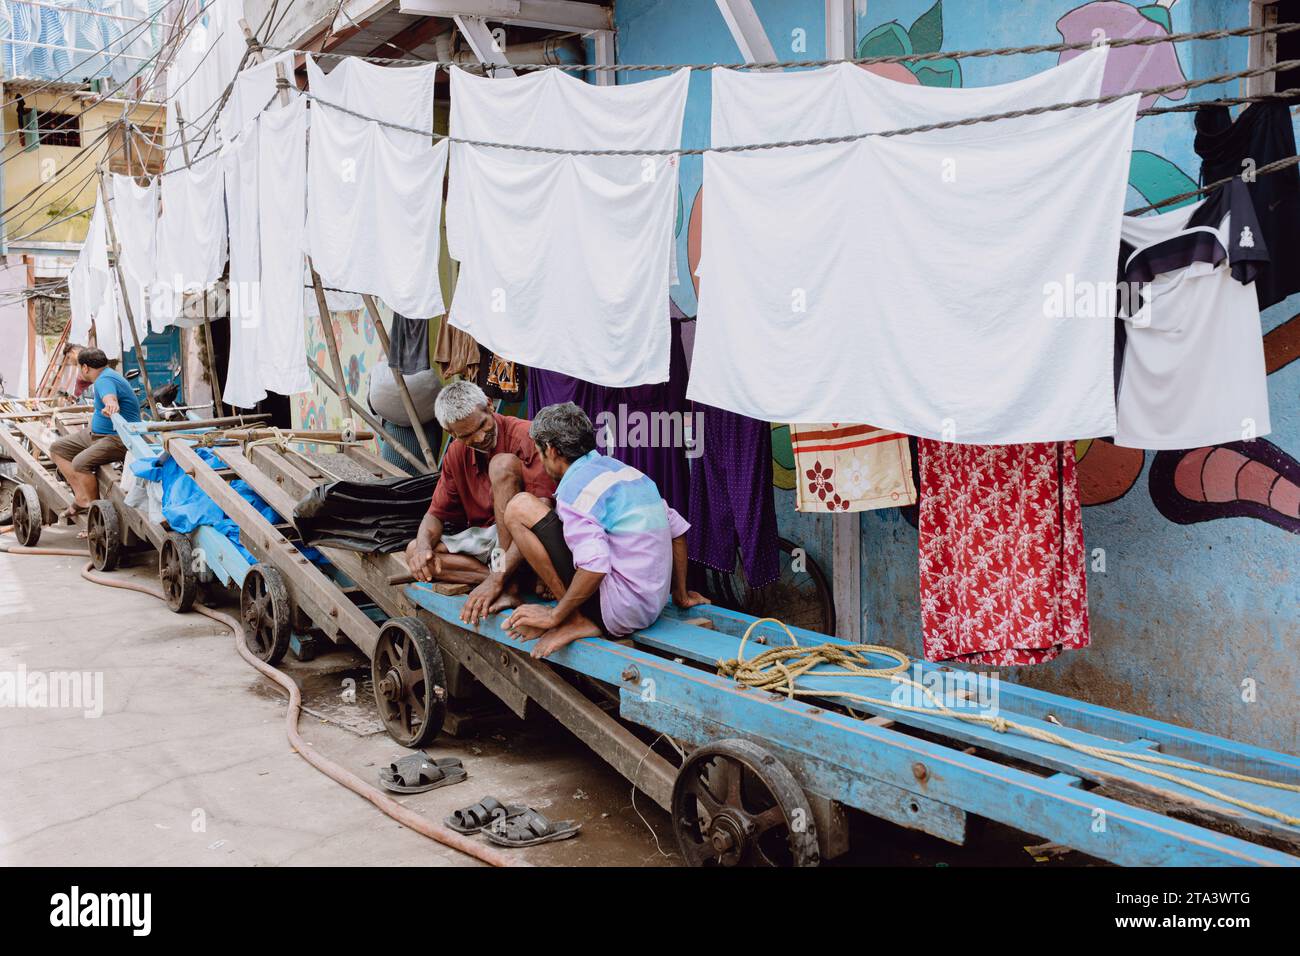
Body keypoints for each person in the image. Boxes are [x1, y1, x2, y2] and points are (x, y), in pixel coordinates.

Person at [501, 402, 708, 659]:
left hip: (616, 614)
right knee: (547, 512)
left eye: (541, 455)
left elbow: (595, 565)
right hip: (651, 606)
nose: (542, 463)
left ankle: (575, 619)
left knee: (519, 507)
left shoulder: (575, 488)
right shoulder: (627, 472)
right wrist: (681, 595)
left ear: (552, 451)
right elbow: (676, 532)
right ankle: (577, 614)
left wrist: (555, 614)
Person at [404, 380, 557, 621]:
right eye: (466, 435)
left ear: (489, 406)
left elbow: (541, 517)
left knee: (501, 465)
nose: (479, 437)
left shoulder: (526, 436)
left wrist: (498, 577)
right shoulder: (456, 453)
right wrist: (423, 548)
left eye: (482, 425)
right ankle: (501, 579)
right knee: (415, 551)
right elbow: (435, 515)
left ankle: (506, 581)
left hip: (529, 538)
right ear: (451, 433)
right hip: (490, 546)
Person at [48, 347, 141, 521]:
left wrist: (111, 405)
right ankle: (81, 497)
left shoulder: (103, 380)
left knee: (79, 463)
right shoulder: (107, 374)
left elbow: (109, 398)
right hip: (95, 434)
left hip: (117, 439)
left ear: (84, 368)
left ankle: (95, 509)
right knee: (57, 448)